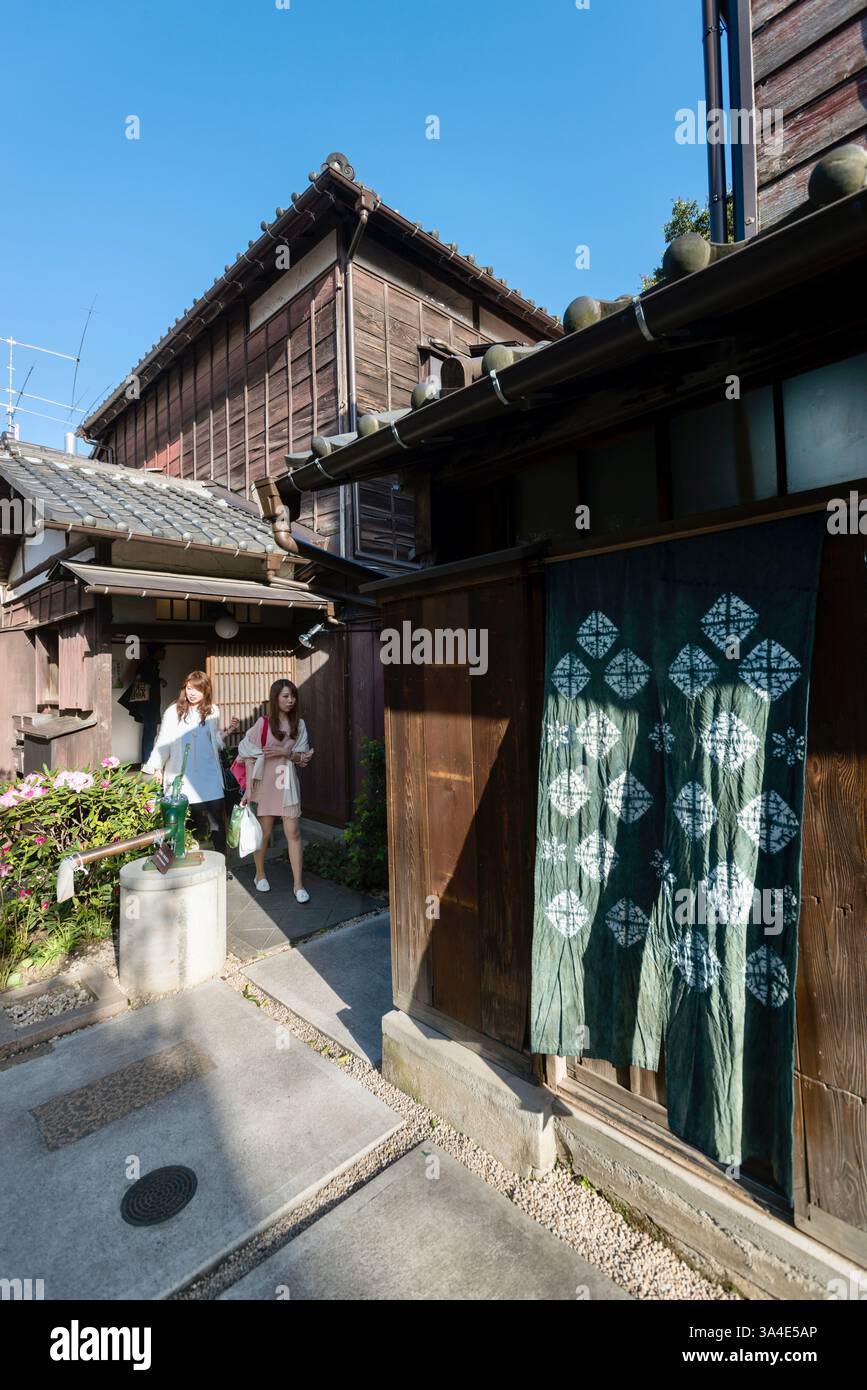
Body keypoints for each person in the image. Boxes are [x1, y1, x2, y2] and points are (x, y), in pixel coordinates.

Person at [143, 670, 239, 857]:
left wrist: (228, 731)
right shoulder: (173, 711)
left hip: (209, 773)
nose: (192, 693)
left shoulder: (212, 710)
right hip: (181, 773)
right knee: (178, 821)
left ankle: (222, 863)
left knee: (217, 821)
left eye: (197, 689)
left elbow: (214, 741)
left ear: (206, 691)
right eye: (189, 688)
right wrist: (157, 767)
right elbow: (164, 741)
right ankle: (175, 859)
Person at [236, 679, 313, 900]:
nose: (291, 700)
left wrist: (282, 752)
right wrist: (249, 789)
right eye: (285, 696)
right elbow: (247, 755)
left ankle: (298, 885)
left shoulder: (300, 725)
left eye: (293, 696)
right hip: (265, 783)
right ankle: (259, 875)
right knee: (265, 833)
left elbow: (302, 758)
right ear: (275, 698)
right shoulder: (262, 724)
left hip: (287, 783)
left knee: (294, 832)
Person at [119, 643, 167, 764]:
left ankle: (147, 762)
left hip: (148, 705)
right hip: (148, 705)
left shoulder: (151, 664)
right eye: (162, 650)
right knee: (150, 733)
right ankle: (147, 762)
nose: (164, 653)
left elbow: (146, 679)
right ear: (155, 652)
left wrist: (158, 680)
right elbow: (143, 680)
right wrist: (157, 680)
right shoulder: (148, 664)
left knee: (150, 733)